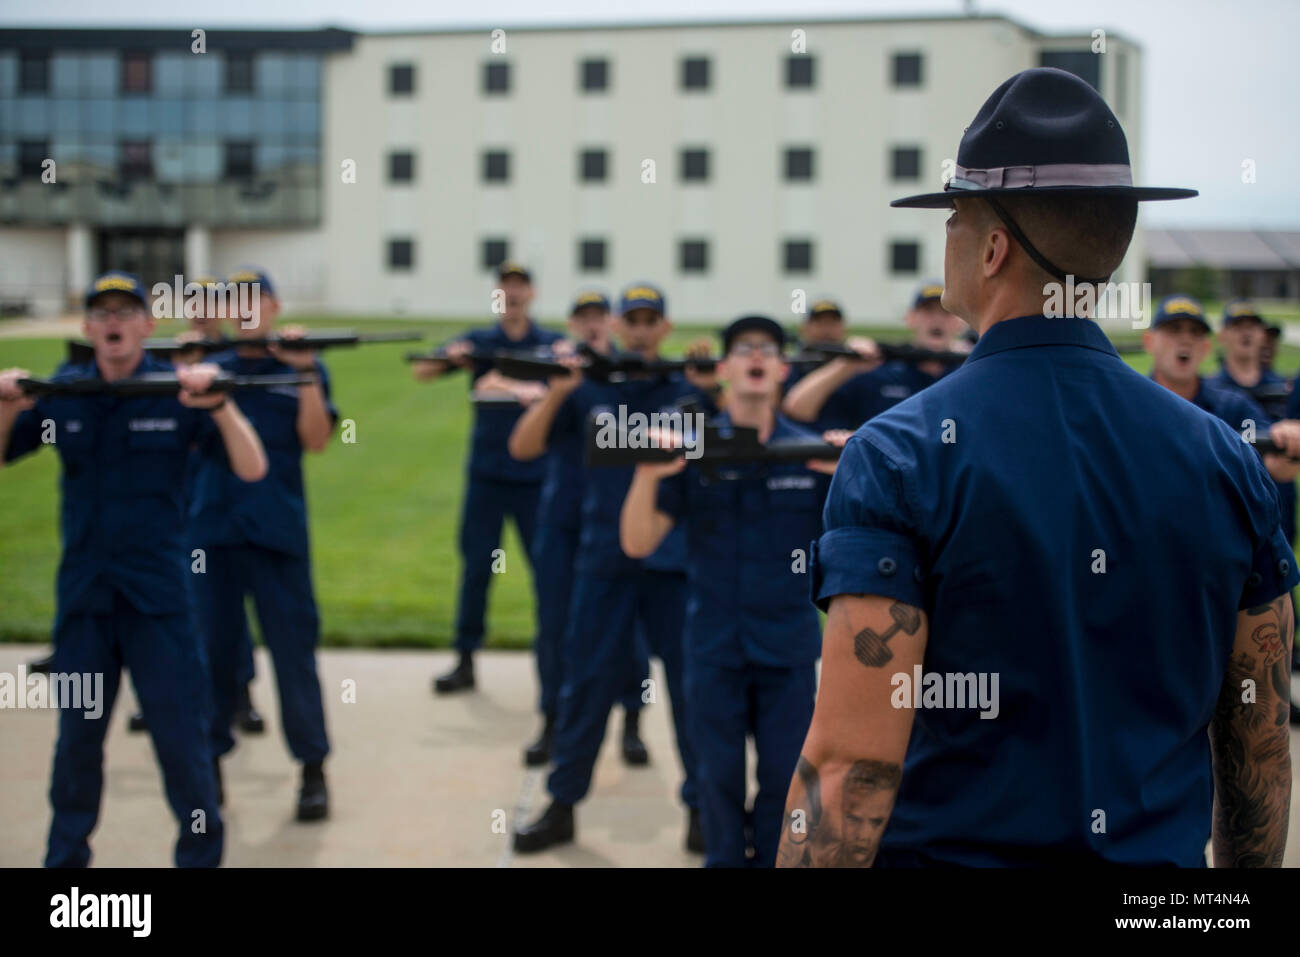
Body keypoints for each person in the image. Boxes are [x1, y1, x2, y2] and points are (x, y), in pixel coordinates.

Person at [778, 67, 1298, 868]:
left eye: (953, 216)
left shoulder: (899, 453)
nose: (945, 236)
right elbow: (1258, 752)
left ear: (992, 249)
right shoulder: (1224, 457)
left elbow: (851, 766)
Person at [0, 270, 268, 867]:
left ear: (148, 326)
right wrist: (6, 405)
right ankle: (65, 871)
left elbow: (251, 467)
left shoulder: (175, 395)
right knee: (76, 746)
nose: (114, 322)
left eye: (126, 312)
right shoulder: (62, 396)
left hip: (160, 608)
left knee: (181, 745)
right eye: (102, 313)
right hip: (86, 608)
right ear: (88, 327)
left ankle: (199, 858)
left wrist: (219, 403)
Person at [620, 314, 840, 867]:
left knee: (781, 778)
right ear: (723, 369)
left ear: (782, 369)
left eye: (768, 347)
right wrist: (647, 475)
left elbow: (853, 542)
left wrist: (846, 473)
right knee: (715, 777)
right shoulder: (695, 452)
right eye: (743, 348)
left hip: (786, 648)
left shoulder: (808, 455)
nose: (756, 355)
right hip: (713, 645)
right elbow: (638, 544)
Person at [512, 283, 708, 854]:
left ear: (665, 328)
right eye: (633, 320)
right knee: (586, 683)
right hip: (603, 560)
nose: (642, 329)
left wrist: (710, 390)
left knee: (689, 690)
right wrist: (555, 392)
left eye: (652, 320)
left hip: (673, 564)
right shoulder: (588, 388)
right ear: (620, 326)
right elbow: (524, 448)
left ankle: (704, 807)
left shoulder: (686, 392)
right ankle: (563, 804)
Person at [189, 268, 336, 821]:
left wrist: (306, 377)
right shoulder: (208, 371)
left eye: (257, 300)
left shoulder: (301, 369)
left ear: (274, 306)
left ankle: (312, 768)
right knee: (212, 660)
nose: (247, 310)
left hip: (278, 533)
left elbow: (317, 441)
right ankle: (211, 767)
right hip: (214, 535)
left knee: (294, 657)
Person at [508, 291, 651, 767]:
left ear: (611, 322)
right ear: (572, 323)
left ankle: (632, 720)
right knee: (554, 625)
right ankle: (552, 718)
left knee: (628, 629)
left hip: (618, 522)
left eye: (599, 316)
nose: (592, 325)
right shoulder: (566, 376)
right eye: (582, 317)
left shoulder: (633, 375)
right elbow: (523, 448)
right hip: (564, 520)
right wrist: (557, 392)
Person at [413, 262, 564, 694]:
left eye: (520, 287)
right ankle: (465, 657)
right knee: (478, 566)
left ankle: (555, 659)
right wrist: (450, 359)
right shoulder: (480, 341)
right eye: (505, 287)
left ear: (531, 294)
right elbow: (421, 370)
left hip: (537, 478)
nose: (513, 294)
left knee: (547, 571)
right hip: (488, 475)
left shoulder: (550, 343)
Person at [128, 275, 264, 737]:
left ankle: (238, 691)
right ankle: (163, 687)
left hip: (222, 492)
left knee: (222, 602)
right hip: (173, 492)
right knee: (173, 596)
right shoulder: (168, 356)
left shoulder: (231, 358)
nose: (202, 313)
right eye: (195, 304)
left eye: (211, 305)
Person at [782, 282, 963, 431]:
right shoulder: (881, 372)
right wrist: (845, 365)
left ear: (959, 322)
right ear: (910, 318)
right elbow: (798, 409)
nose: (937, 319)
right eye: (928, 311)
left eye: (946, 312)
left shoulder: (969, 372)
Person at [1207, 300, 1298, 553]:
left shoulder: (1286, 390)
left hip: (1280, 504)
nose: (1246, 333)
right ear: (1222, 335)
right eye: (1237, 326)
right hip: (1229, 509)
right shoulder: (1209, 392)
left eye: (1253, 326)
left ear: (1262, 335)